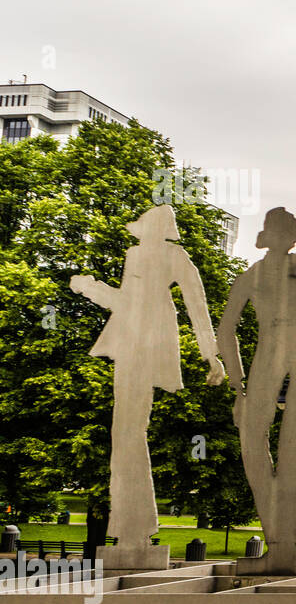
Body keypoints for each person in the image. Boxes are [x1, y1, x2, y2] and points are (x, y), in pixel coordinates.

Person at [71, 204, 225, 569]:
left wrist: (211, 355)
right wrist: (90, 289)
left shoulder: (176, 256)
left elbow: (196, 304)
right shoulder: (134, 255)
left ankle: (135, 527)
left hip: (151, 343)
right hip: (129, 342)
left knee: (129, 429)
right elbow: (127, 303)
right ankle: (130, 528)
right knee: (123, 431)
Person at [218, 208, 296, 575]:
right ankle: (276, 536)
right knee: (251, 437)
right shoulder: (251, 276)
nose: (287, 243)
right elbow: (226, 330)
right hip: (267, 358)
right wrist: (237, 385)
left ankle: (284, 543)